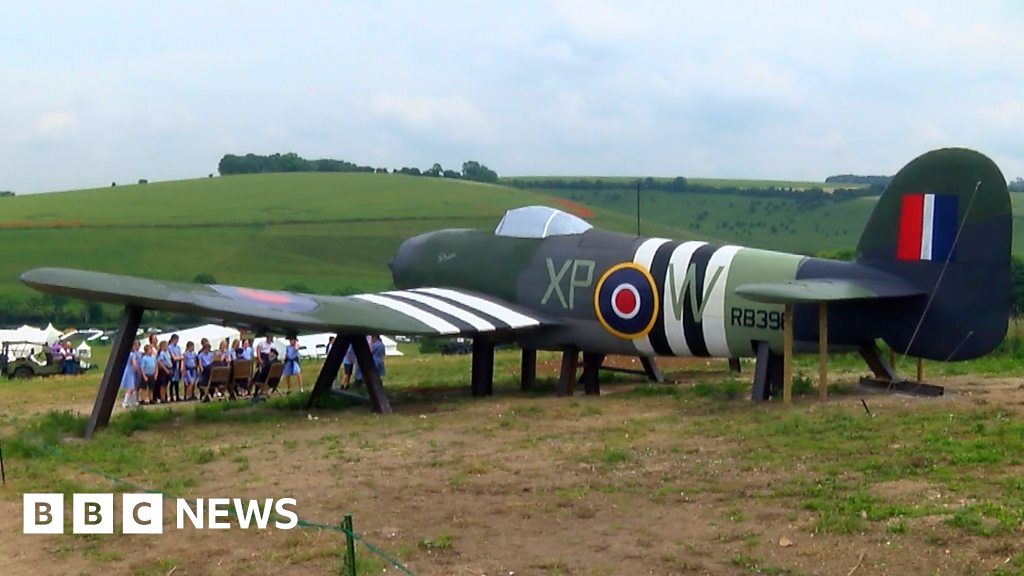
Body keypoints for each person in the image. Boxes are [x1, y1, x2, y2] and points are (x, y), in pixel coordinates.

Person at [120, 341, 141, 408]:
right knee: (130, 387)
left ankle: (133, 402)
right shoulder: (133, 355)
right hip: (130, 371)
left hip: (127, 370)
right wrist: (137, 369)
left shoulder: (128, 354)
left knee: (132, 387)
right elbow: (134, 364)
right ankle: (125, 402)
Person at [168, 334, 183, 402]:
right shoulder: (170, 347)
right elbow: (173, 358)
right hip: (173, 365)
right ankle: (171, 397)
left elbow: (180, 355)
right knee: (172, 381)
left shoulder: (178, 347)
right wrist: (180, 358)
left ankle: (177, 396)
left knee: (177, 381)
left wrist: (180, 360)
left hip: (178, 365)